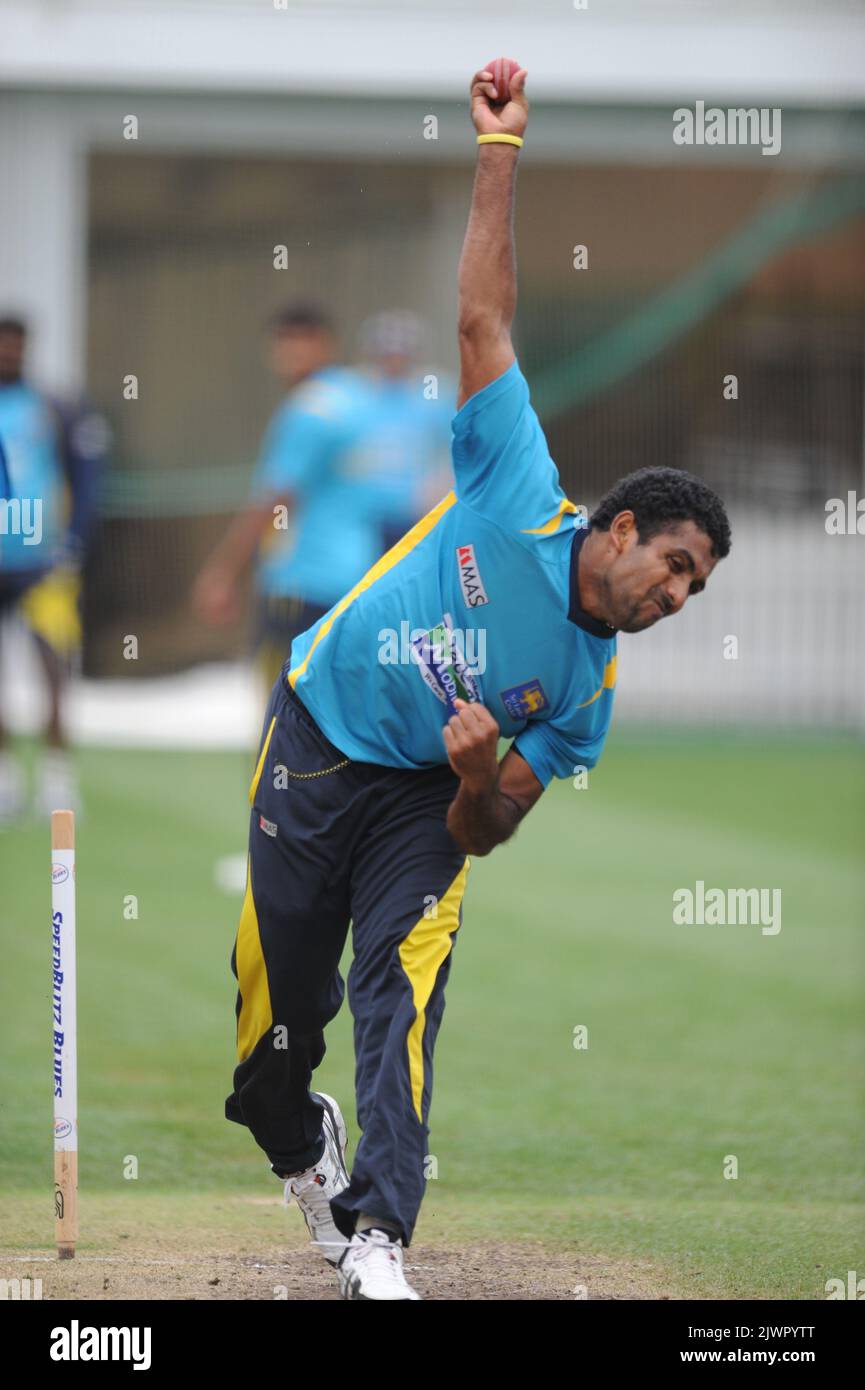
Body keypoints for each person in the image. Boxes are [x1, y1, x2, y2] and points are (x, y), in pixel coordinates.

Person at [224, 61, 732, 1301]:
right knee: (271, 1031)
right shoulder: (515, 488)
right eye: (672, 569)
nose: (673, 600)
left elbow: (492, 823)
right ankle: (299, 1143)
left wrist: (470, 779)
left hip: (423, 799)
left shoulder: (585, 694)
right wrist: (499, 152)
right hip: (318, 724)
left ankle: (381, 1231)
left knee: (401, 977)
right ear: (617, 532)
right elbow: (482, 324)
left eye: (694, 594)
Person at [192, 303, 390, 692]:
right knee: (337, 702)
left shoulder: (308, 408)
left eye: (301, 343)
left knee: (280, 705)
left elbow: (276, 500)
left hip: (302, 581)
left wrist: (224, 571)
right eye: (283, 344)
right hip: (356, 575)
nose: (290, 356)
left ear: (326, 345)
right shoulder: (361, 397)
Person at [0, 316, 106, 823]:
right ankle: (5, 780)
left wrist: (73, 542)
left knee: (53, 669)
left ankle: (58, 780)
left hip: (42, 564)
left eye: (16, 346)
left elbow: (87, 477)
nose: (8, 354)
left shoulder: (53, 406)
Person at [351, 310, 455, 554]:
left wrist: (441, 486)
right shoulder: (355, 392)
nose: (393, 359)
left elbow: (456, 445)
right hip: (365, 516)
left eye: (400, 353)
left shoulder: (436, 391)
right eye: (386, 353)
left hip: (417, 512)